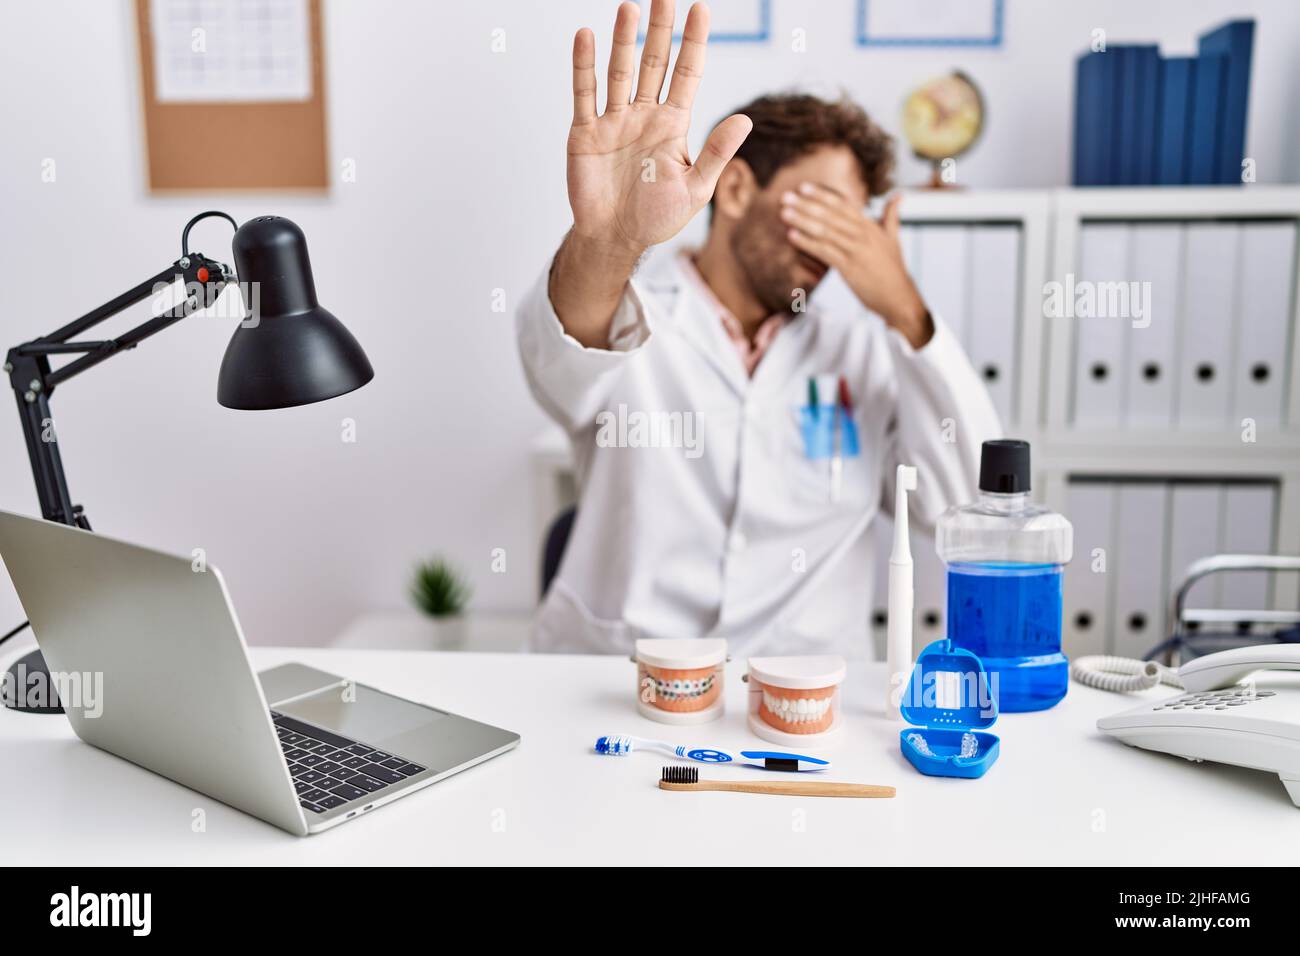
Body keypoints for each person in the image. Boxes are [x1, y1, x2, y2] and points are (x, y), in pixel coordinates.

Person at [516, 0, 1001, 656]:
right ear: (737, 191)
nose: (836, 244)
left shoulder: (862, 353)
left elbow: (968, 517)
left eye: (855, 223)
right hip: (617, 686)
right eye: (823, 208)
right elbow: (560, 354)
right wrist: (614, 238)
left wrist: (905, 313)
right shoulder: (636, 313)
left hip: (806, 707)